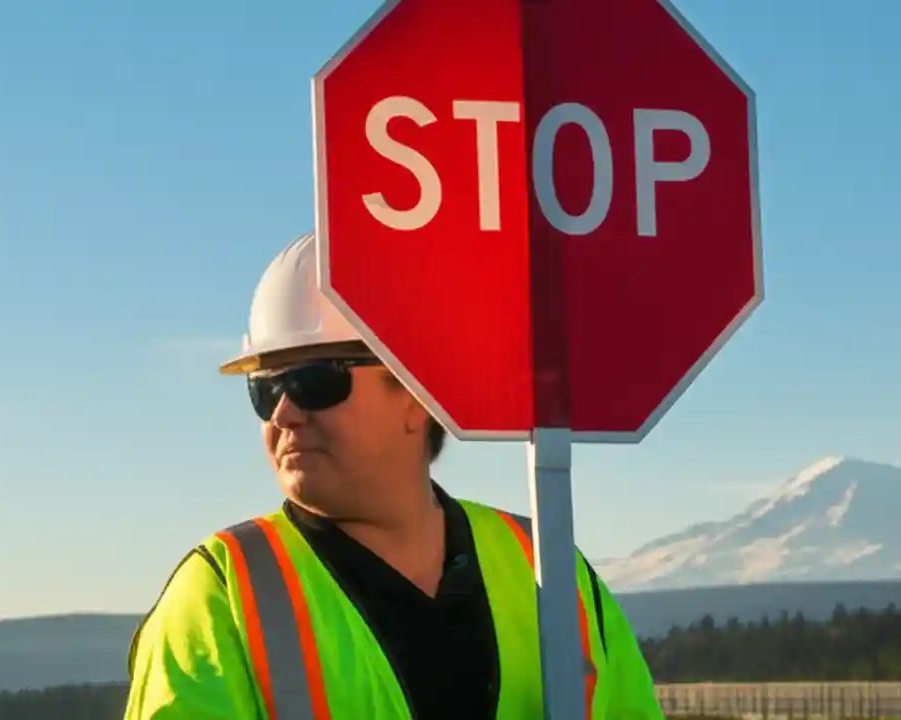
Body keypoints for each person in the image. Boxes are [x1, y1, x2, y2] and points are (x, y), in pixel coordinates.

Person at [123, 230, 665, 719]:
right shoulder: (221, 595)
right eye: (265, 389)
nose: (283, 413)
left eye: (315, 380)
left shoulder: (548, 568)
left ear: (418, 393)